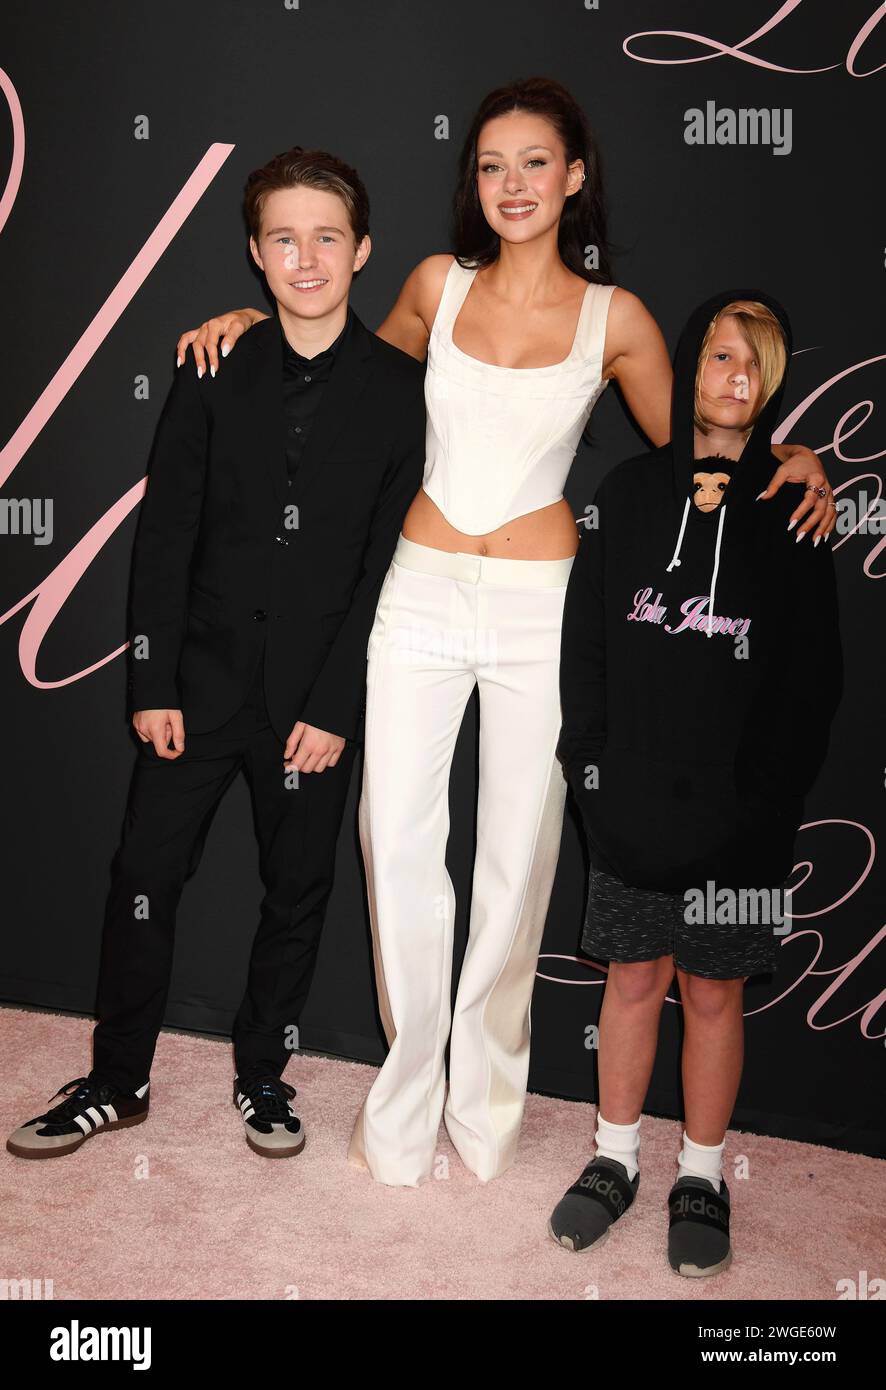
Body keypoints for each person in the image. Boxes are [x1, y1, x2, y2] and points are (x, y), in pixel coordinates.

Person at [174, 77, 836, 1188]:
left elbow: (701, 443)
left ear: (574, 176)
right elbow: (337, 374)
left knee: (515, 862)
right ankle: (404, 1096)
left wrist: (793, 456)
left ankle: (485, 1105)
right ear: (470, 182)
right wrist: (253, 326)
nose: (511, 185)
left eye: (534, 163)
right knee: (396, 846)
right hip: (418, 594)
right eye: (490, 165)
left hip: (542, 610)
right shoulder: (435, 284)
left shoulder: (613, 316)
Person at [6, 148, 426, 1161]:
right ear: (255, 253)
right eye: (284, 237)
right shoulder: (209, 366)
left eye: (327, 236)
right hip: (194, 689)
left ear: (362, 250)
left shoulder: (401, 390)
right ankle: (117, 1078)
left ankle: (265, 1078)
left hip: (311, 707)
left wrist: (336, 704)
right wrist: (149, 678)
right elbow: (165, 537)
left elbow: (384, 563)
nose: (307, 256)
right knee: (142, 875)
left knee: (296, 893)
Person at [550, 290, 842, 1274]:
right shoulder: (628, 493)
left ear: (770, 385)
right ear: (690, 367)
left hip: (744, 822)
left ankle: (704, 1173)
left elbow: (813, 682)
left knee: (716, 997)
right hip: (628, 803)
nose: (735, 378)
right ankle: (612, 1158)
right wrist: (589, 772)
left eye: (755, 363)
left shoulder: (794, 508)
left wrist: (767, 804)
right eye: (719, 356)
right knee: (631, 984)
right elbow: (584, 645)